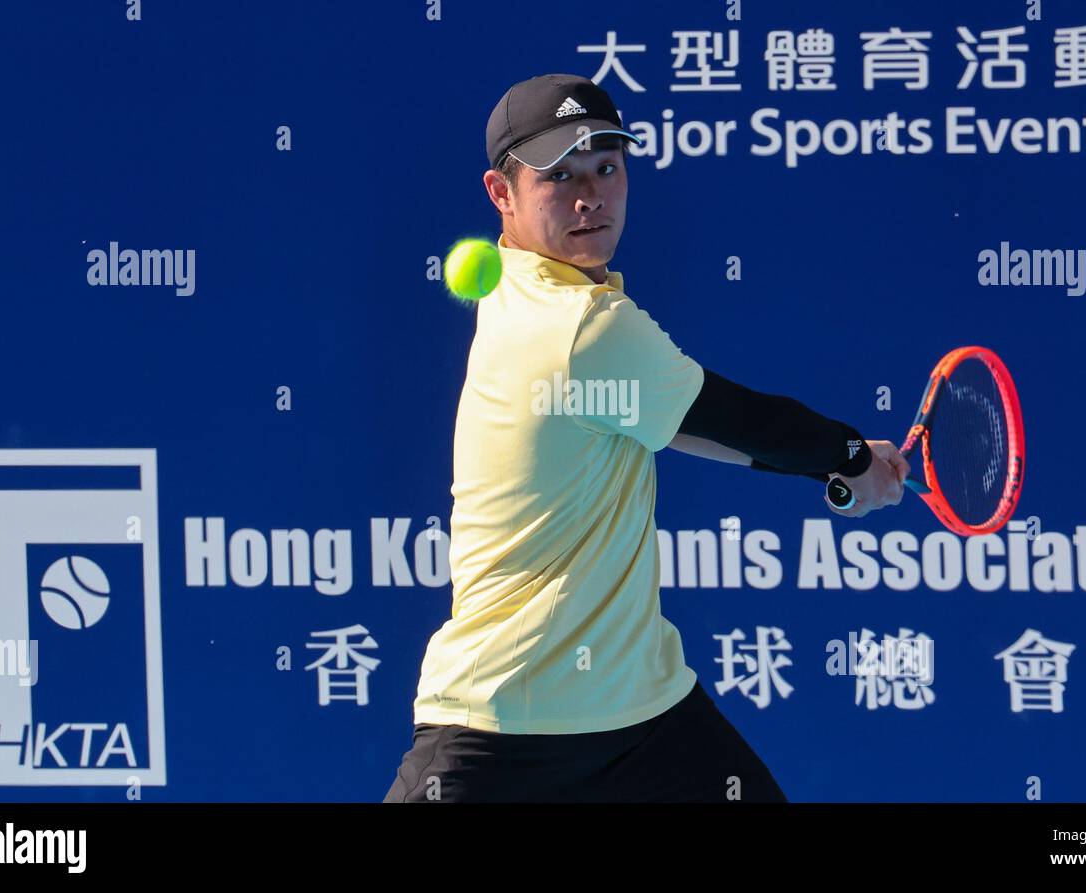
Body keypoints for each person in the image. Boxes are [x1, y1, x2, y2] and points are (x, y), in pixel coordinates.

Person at [383, 73, 907, 803]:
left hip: (639, 712)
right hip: (506, 715)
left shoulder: (518, 282)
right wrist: (851, 457)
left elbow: (684, 424)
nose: (588, 195)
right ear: (500, 194)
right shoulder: (582, 325)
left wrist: (830, 468)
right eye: (557, 175)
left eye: (605, 167)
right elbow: (734, 418)